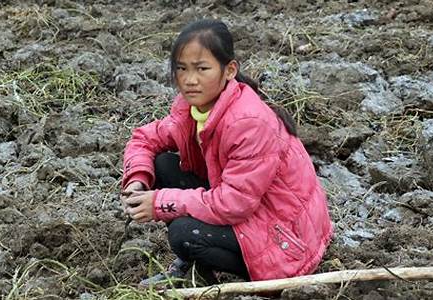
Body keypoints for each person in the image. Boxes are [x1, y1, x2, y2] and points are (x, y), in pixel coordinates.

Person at [120, 19, 333, 285]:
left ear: (229, 70)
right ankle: (200, 261)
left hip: (287, 239)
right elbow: (144, 138)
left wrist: (161, 202)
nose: (189, 80)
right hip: (250, 209)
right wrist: (138, 180)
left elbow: (234, 205)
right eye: (181, 69)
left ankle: (225, 271)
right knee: (161, 164)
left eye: (202, 69)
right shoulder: (192, 108)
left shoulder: (248, 123)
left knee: (184, 234)